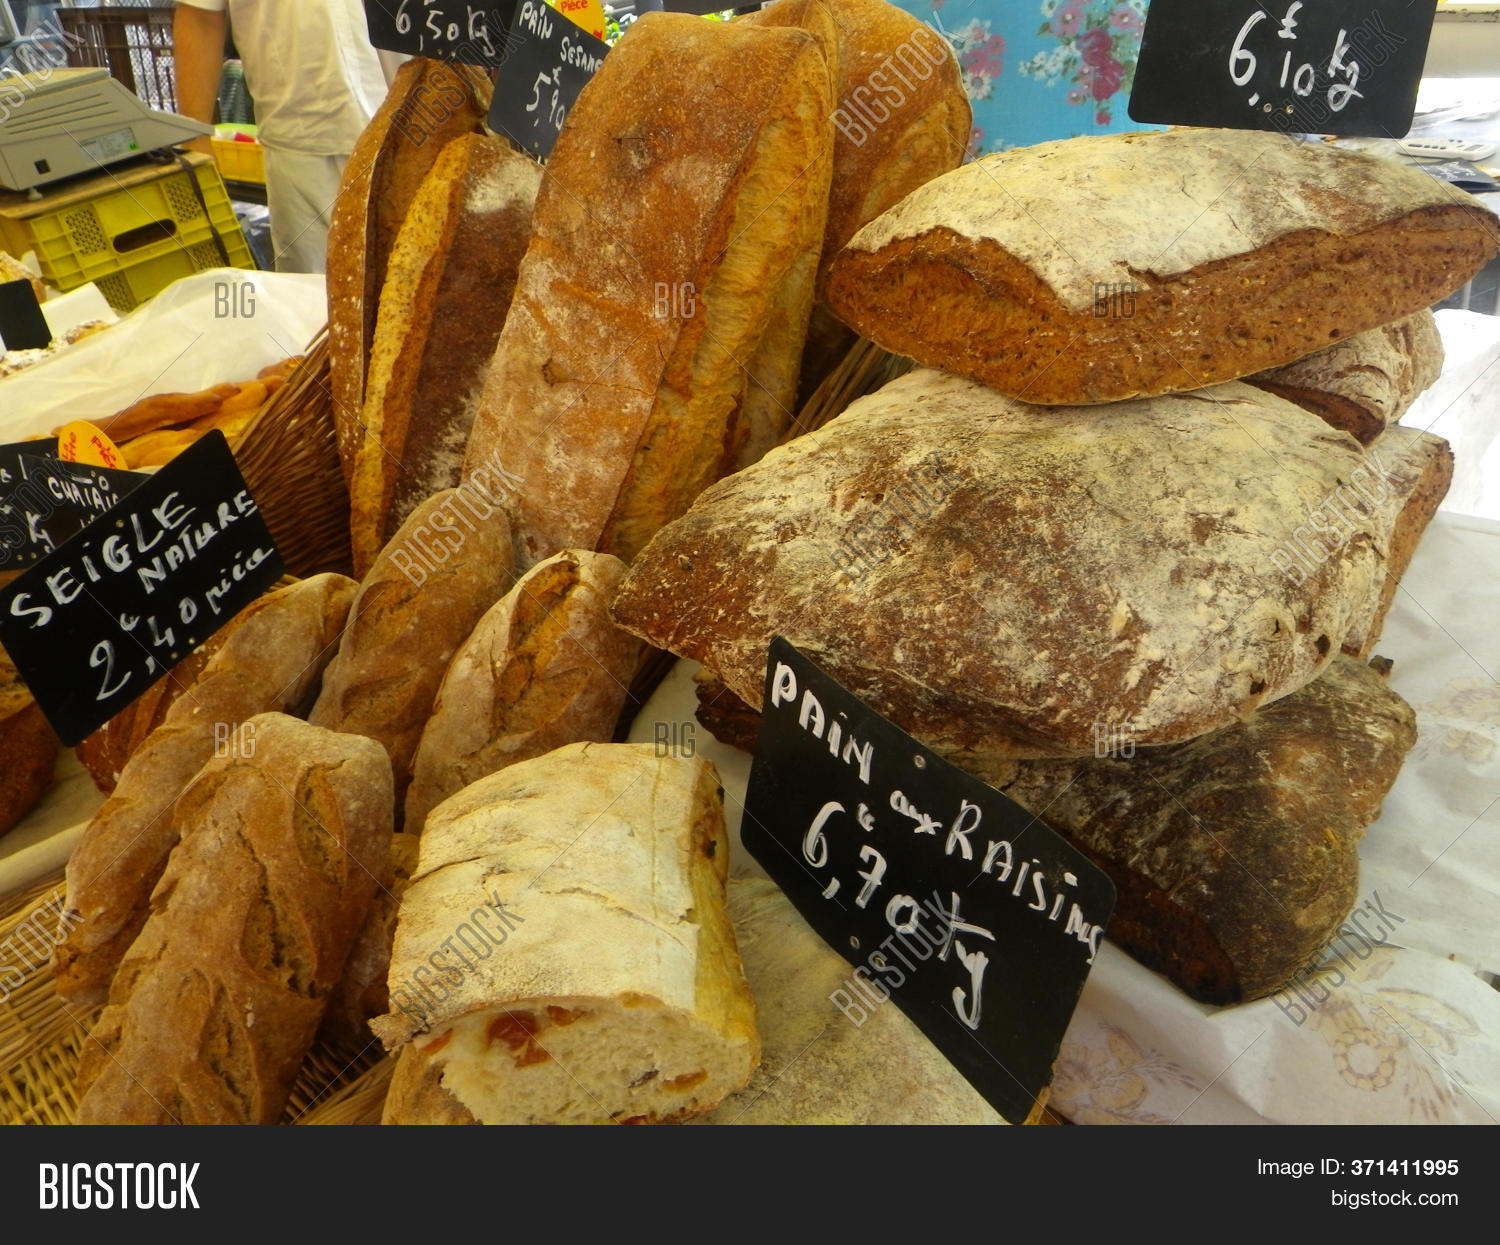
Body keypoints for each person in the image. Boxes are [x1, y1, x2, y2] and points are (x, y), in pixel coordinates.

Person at [172, 1, 398, 273]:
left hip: (416, 123)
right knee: (311, 291)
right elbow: (200, 15)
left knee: (426, 279)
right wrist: (195, 137)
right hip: (299, 144)